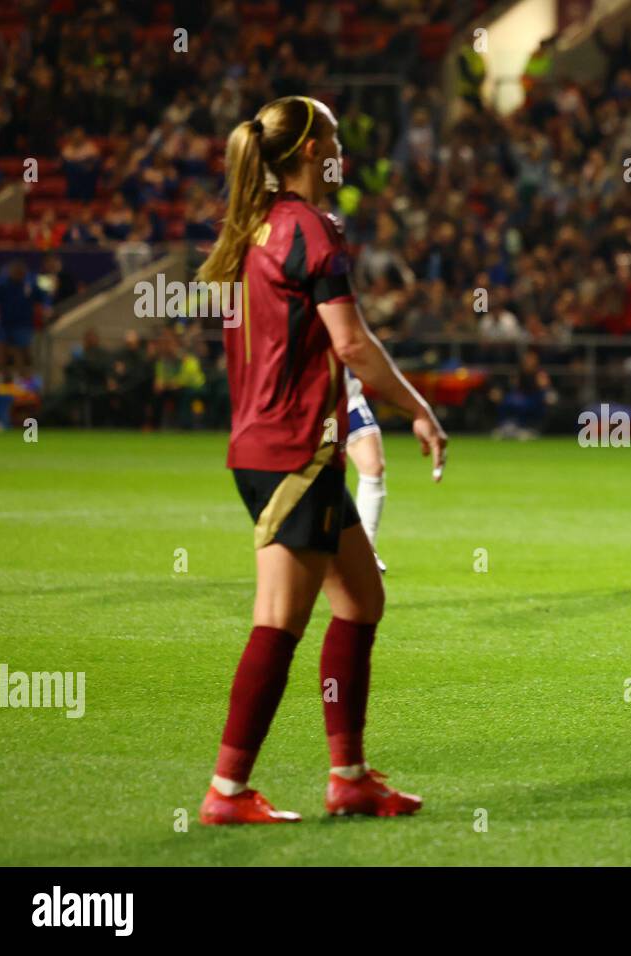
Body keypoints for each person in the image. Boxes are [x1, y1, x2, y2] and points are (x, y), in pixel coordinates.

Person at [195, 95, 448, 824]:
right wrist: (419, 409)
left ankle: (348, 777)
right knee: (278, 620)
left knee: (362, 601)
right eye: (334, 139)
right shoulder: (310, 228)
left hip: (284, 446)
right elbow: (354, 345)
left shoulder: (257, 228)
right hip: (292, 452)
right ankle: (227, 791)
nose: (343, 153)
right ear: (310, 150)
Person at [344, 368, 388, 572]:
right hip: (322, 407)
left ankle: (366, 552)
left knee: (374, 467)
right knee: (325, 472)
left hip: (349, 399)